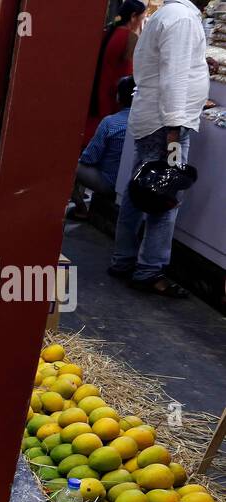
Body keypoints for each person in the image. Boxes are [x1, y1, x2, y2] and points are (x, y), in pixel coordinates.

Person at [110, 0, 211, 297]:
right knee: (165, 194)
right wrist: (174, 130)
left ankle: (123, 260)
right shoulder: (182, 19)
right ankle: (149, 270)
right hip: (167, 126)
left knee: (139, 189)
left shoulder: (169, 14)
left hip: (154, 119)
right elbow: (174, 79)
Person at [71, 76, 135, 219]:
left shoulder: (110, 122)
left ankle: (81, 209)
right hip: (130, 185)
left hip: (108, 183)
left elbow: (89, 158)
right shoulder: (144, 124)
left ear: (119, 97)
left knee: (70, 166)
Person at [85, 1, 145, 142]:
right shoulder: (129, 38)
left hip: (98, 91)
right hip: (113, 96)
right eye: (141, 19)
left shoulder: (108, 31)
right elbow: (130, 71)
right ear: (133, 16)